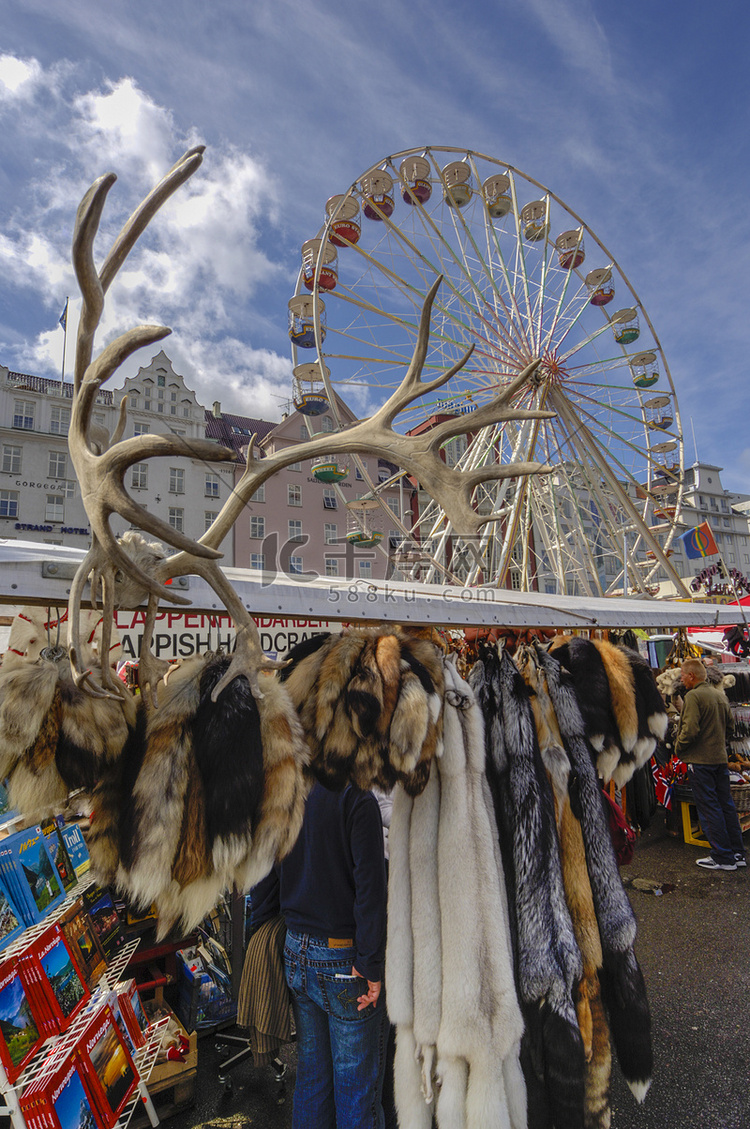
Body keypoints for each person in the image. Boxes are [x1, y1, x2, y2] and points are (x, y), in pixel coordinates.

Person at [279, 780, 388, 1129]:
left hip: (296, 948)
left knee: (312, 1078)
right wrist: (371, 963)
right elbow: (371, 891)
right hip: (343, 961)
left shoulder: (292, 789)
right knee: (355, 1088)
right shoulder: (358, 799)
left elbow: (268, 868)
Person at [675, 657, 746, 871]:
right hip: (719, 759)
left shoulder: (694, 696)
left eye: (682, 675)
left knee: (709, 807)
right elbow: (732, 729)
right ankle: (736, 853)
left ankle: (722, 857)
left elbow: (690, 730)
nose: (681, 678)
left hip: (700, 761)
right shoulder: (719, 695)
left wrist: (679, 748)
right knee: (726, 805)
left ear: (691, 676)